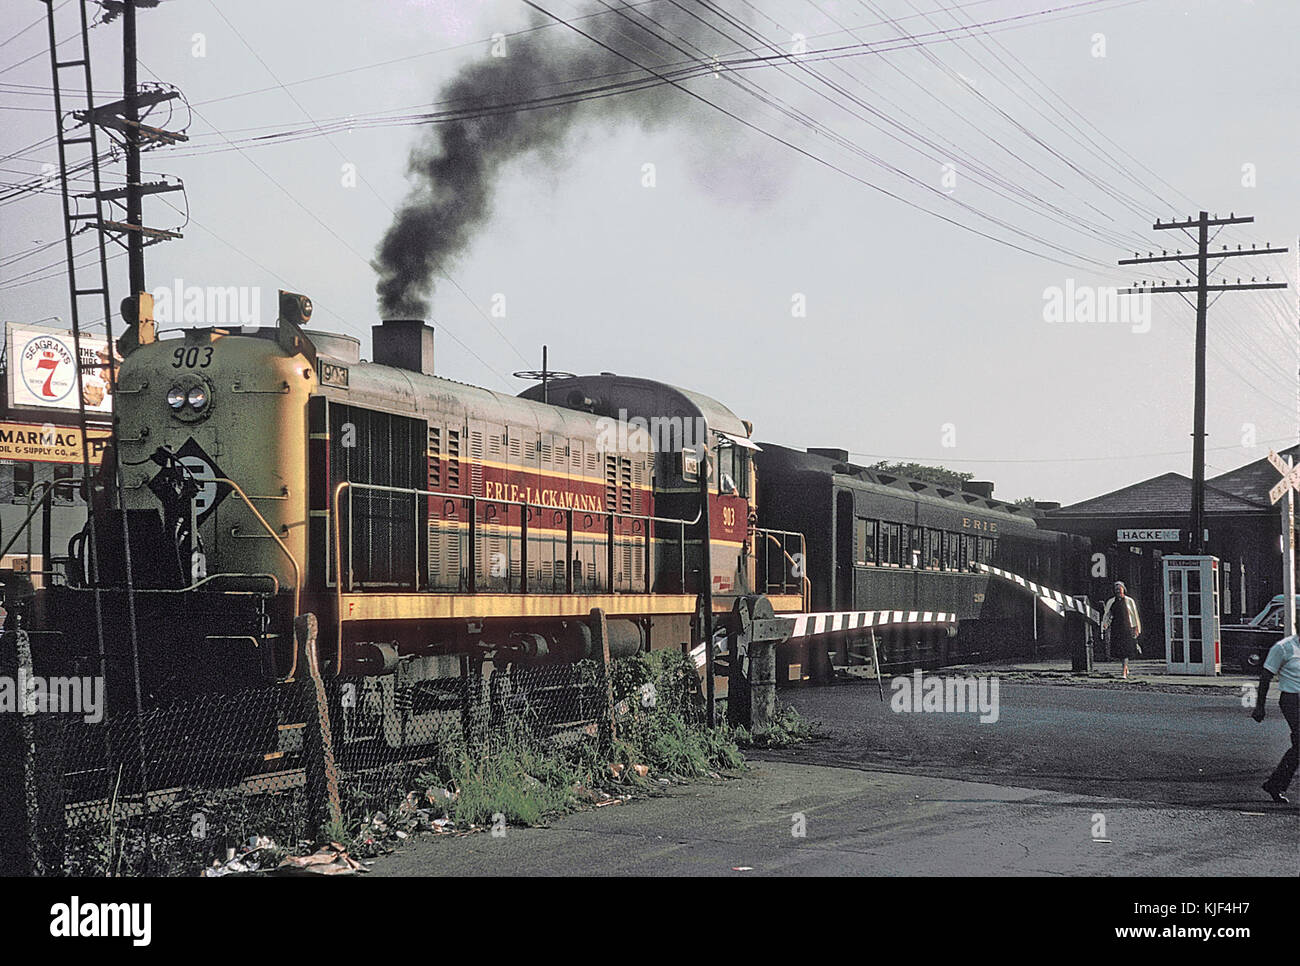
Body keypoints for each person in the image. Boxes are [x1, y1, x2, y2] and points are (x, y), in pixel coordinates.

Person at [1251, 631, 1299, 804]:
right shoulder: (1283, 648)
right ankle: (1275, 784)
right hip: (1292, 700)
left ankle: (1274, 784)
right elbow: (1265, 677)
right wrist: (1260, 707)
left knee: (1298, 748)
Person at [1101, 581, 1142, 663]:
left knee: (1126, 651)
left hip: (1127, 627)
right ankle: (1125, 667)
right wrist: (1105, 624)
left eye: (1119, 589)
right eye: (1116, 589)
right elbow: (1107, 614)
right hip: (1116, 628)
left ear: (1123, 589)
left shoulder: (1129, 601)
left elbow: (1134, 615)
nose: (1118, 591)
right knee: (1119, 651)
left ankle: (1124, 670)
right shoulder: (1111, 601)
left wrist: (1136, 628)